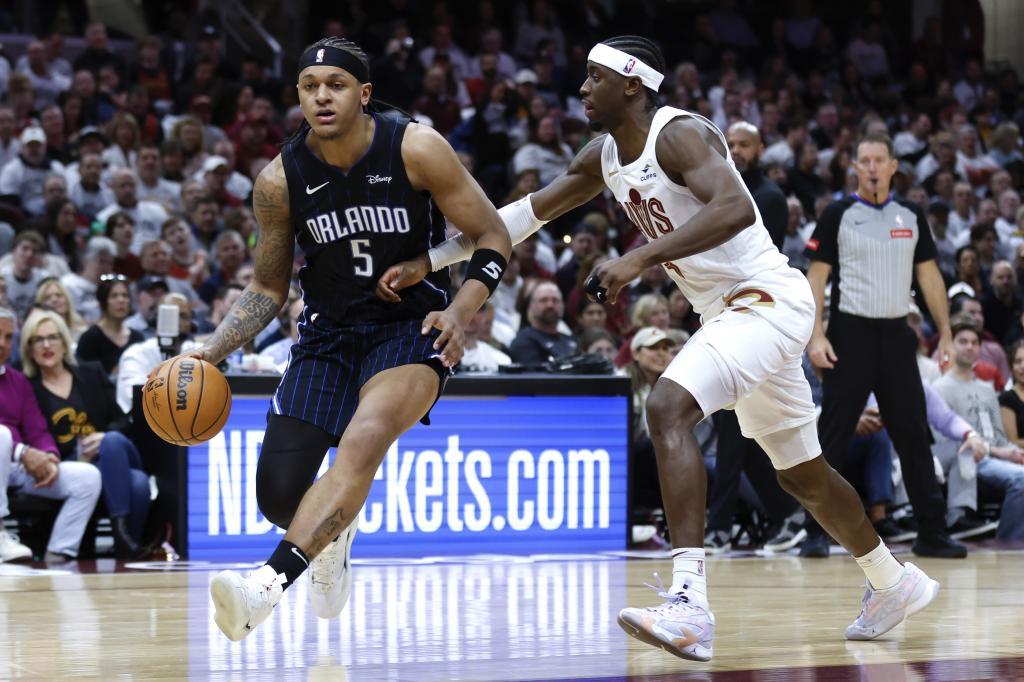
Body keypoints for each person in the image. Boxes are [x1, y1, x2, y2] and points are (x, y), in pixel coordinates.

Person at [379, 36, 938, 661]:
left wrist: (639, 258)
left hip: (764, 300)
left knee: (667, 406)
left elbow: (732, 208)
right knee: (802, 474)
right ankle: (894, 580)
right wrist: (431, 258)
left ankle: (690, 604)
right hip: (730, 312)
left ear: (633, 86)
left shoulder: (679, 135)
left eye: (595, 78)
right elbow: (522, 216)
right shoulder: (604, 155)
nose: (583, 89)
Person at [188, 37, 510, 642]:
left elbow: (493, 235)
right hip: (327, 334)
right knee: (280, 496)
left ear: (363, 94)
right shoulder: (279, 180)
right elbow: (267, 286)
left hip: (410, 329)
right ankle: (331, 538)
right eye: (310, 87)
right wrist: (212, 348)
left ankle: (266, 585)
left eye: (335, 84)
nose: (321, 97)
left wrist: (462, 312)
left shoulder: (416, 147)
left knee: (363, 440)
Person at [804, 131, 967, 559]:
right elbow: (815, 277)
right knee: (833, 434)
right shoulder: (837, 213)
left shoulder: (911, 214)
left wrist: (945, 333)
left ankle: (931, 531)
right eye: (865, 160)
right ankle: (815, 532)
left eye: (880, 159)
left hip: (897, 335)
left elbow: (930, 277)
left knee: (913, 433)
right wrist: (815, 334)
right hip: (848, 334)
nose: (872, 167)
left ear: (894, 166)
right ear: (854, 167)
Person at [21, 309, 151, 558]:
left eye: (53, 337)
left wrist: (102, 437)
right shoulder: (29, 387)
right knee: (138, 483)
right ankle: (127, 546)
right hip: (72, 465)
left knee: (112, 441)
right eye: (38, 340)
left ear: (64, 342)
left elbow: (122, 420)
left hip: (113, 455)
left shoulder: (90, 373)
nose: (47, 345)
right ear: (29, 347)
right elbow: (34, 436)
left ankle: (121, 535)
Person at [0, 307, 102, 562]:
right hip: (13, 455)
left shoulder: (18, 381)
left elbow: (38, 429)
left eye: (8, 337)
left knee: (87, 477)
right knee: (1, 435)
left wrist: (48, 457)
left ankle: (57, 556)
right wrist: (23, 452)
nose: (2, 343)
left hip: (16, 468)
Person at [933, 317, 1024, 540]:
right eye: (963, 341)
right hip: (969, 459)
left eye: (974, 342)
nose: (970, 347)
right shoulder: (940, 388)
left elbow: (1000, 438)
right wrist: (996, 451)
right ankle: (1009, 543)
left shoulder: (986, 389)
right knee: (1022, 480)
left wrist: (1014, 452)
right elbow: (947, 444)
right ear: (951, 345)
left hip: (997, 456)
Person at [75, 275, 145, 376]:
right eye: (114, 296)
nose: (121, 300)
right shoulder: (90, 338)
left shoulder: (137, 337)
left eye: (125, 295)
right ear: (103, 302)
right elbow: (84, 378)